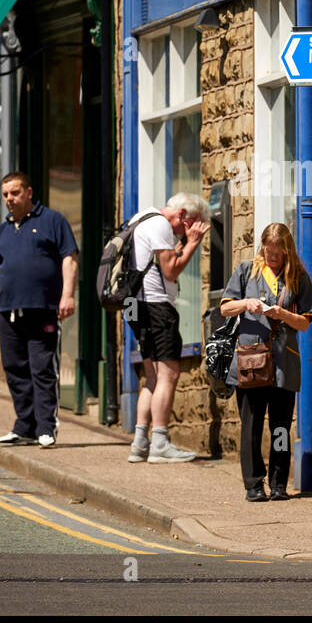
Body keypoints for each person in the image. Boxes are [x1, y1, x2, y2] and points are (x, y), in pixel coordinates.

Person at [218, 223, 312, 501]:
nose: (272, 257)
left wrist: (282, 314)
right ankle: (253, 484)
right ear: (262, 247)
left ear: (287, 251)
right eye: (268, 251)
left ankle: (278, 483)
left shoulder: (298, 278)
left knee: (281, 426)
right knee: (251, 425)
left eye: (278, 253)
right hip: (251, 360)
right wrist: (247, 303)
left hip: (285, 363)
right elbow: (225, 308)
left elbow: (305, 323)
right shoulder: (246, 271)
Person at [0, 172, 80, 449]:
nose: (9, 200)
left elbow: (69, 260)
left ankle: (46, 427)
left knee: (42, 368)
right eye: (5, 195)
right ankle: (24, 426)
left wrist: (67, 295)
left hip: (43, 309)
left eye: (14, 193)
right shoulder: (2, 231)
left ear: (28, 192)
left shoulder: (52, 221)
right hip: (8, 310)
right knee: (15, 369)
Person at [126, 191, 211, 464]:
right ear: (182, 215)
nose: (187, 232)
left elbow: (153, 262)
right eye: (192, 224)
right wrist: (193, 243)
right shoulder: (162, 224)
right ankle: (160, 441)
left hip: (136, 305)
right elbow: (171, 271)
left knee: (151, 374)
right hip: (157, 307)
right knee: (169, 374)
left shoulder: (142, 217)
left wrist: (181, 244)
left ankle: (140, 442)